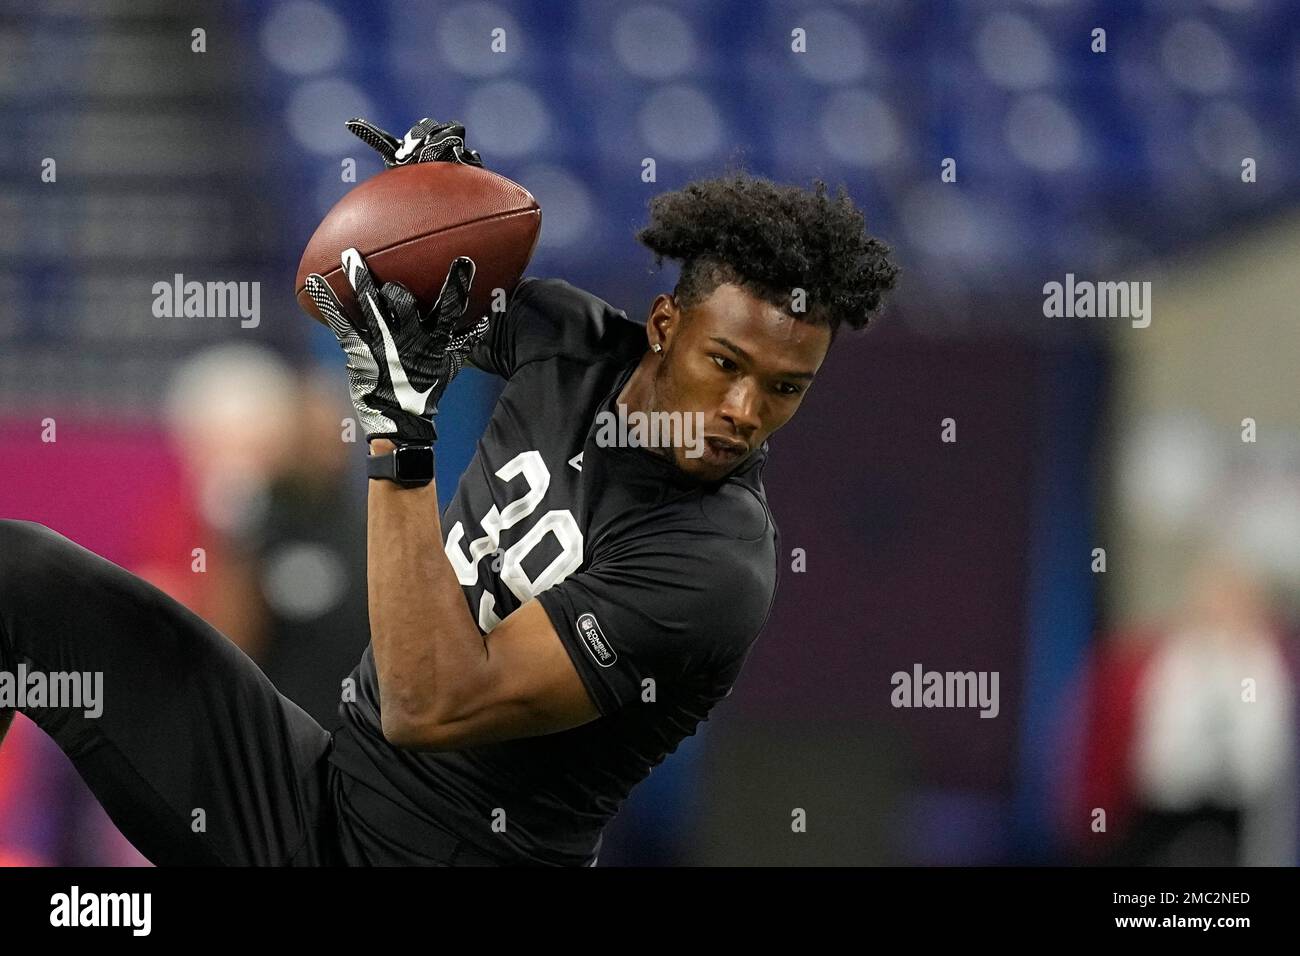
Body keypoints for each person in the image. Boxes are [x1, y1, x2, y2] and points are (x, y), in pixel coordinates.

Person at [0, 117, 899, 866]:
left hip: (438, 856)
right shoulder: (577, 346)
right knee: (17, 579)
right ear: (666, 325)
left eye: (786, 387)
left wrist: (399, 435)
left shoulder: (714, 565)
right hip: (316, 795)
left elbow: (428, 705)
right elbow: (342, 295)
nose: (745, 409)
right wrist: (418, 220)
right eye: (725, 364)